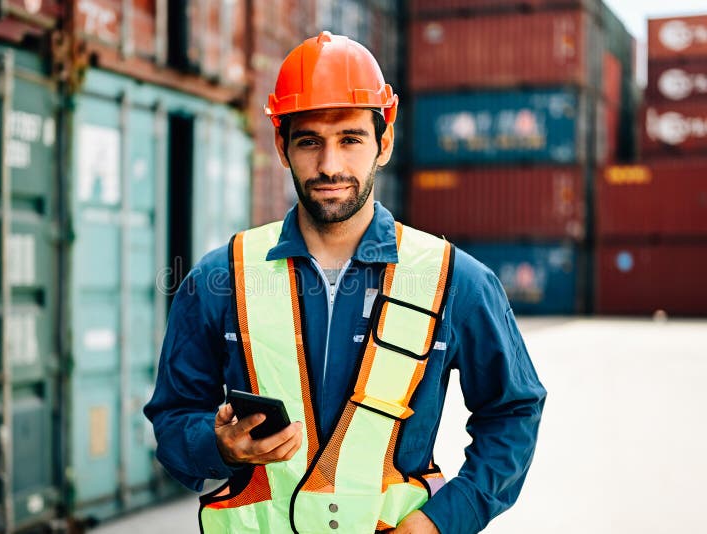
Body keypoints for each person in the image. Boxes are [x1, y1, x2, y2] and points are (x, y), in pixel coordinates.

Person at [145, 31, 546, 534]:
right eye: (309, 141)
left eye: (350, 139)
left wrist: (444, 519)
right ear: (282, 146)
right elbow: (173, 418)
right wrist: (218, 443)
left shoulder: (455, 280)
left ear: (384, 142)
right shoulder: (219, 278)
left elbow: (514, 409)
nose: (330, 165)